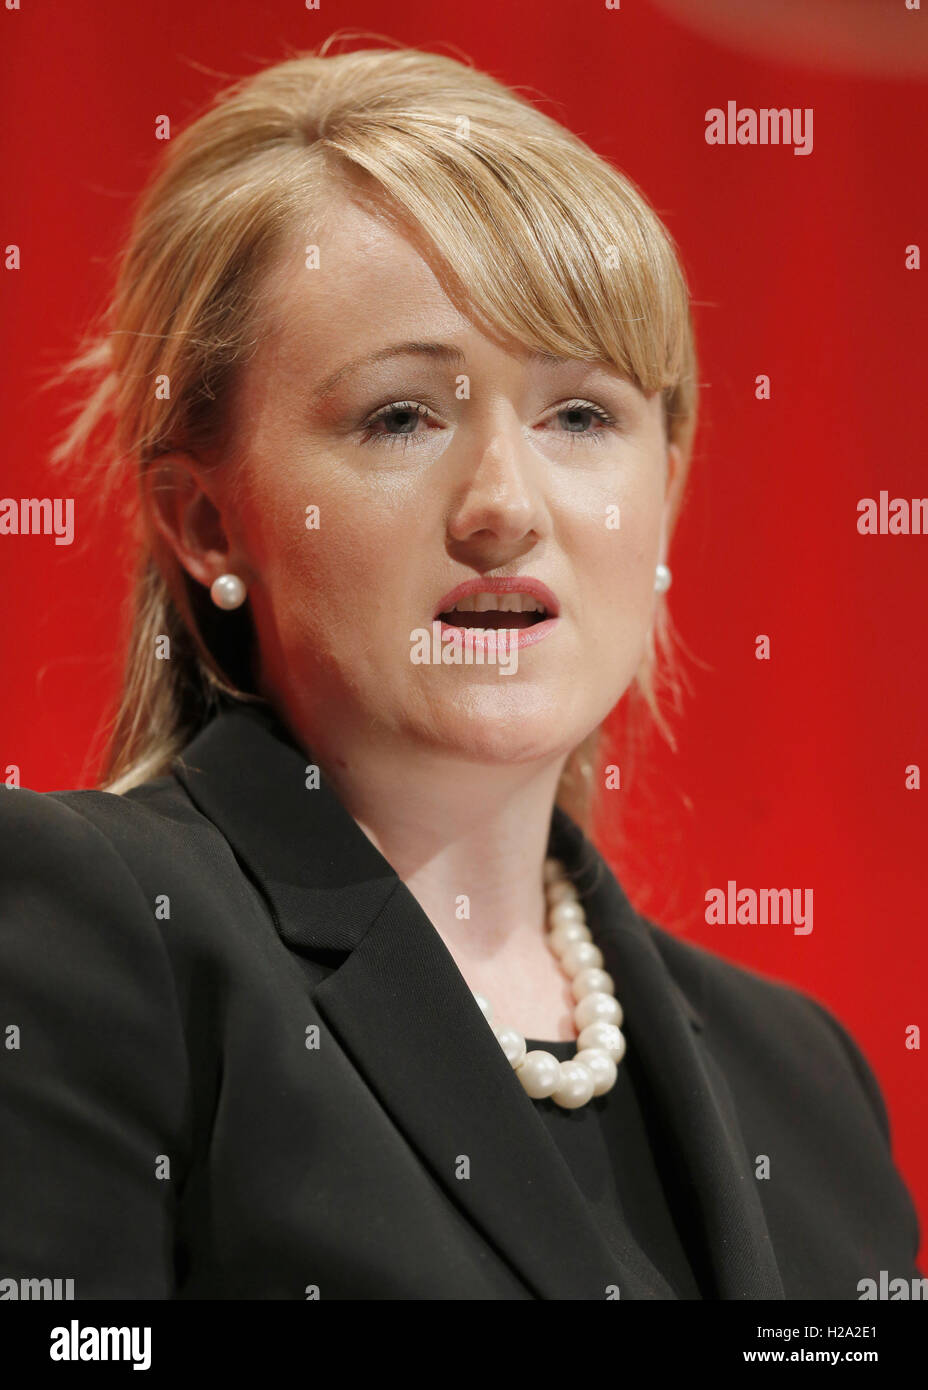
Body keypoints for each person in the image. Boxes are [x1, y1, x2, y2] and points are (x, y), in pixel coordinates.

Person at [0, 42, 920, 1301]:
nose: (502, 506)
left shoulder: (807, 1079)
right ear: (205, 521)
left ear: (667, 487)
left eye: (580, 415)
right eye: (400, 416)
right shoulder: (89, 932)